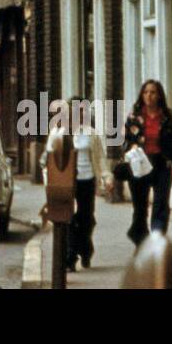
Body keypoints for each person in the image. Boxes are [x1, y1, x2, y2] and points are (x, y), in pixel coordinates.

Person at [42, 98, 110, 272]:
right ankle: (70, 257)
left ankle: (86, 249)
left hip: (86, 179)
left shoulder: (91, 133)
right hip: (65, 181)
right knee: (69, 218)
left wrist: (106, 176)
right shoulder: (57, 132)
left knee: (86, 218)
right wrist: (49, 183)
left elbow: (100, 157)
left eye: (82, 111)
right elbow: (47, 160)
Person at [122, 79, 172, 246]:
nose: (149, 96)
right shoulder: (134, 117)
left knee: (160, 205)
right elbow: (125, 141)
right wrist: (131, 149)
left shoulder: (166, 116)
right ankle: (140, 239)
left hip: (161, 165)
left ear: (159, 96)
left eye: (153, 92)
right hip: (140, 164)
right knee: (140, 208)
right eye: (146, 92)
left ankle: (157, 241)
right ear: (142, 95)